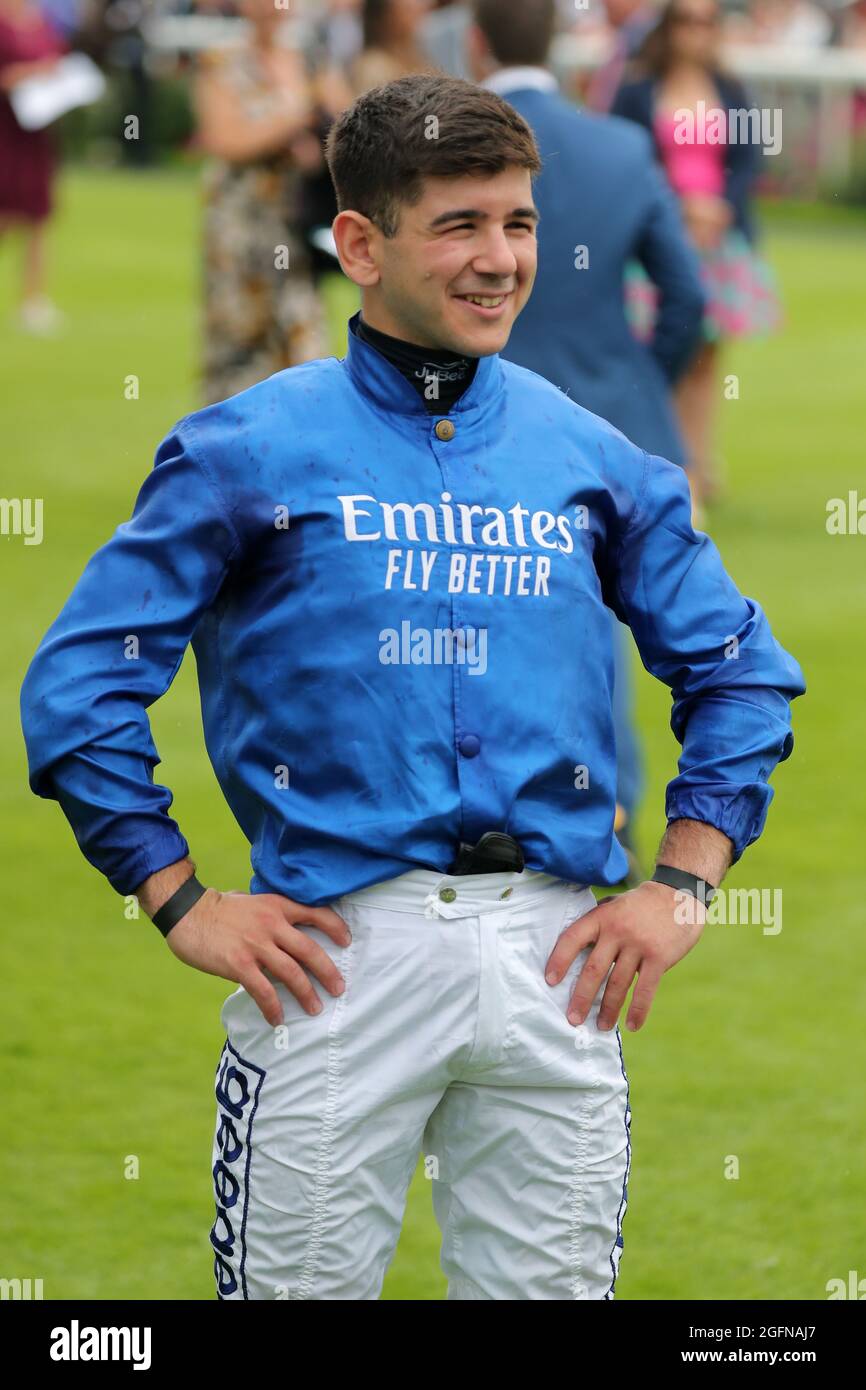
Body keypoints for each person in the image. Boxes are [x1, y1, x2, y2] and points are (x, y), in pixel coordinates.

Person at [21, 73, 805, 1302]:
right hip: (335, 964)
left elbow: (738, 669)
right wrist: (175, 897)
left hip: (559, 961)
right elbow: (81, 682)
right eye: (459, 225)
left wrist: (682, 884)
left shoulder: (591, 453)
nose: (499, 260)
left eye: (518, 224)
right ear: (358, 243)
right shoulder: (245, 447)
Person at [468, 0, 706, 874]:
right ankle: (613, 820)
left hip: (485, 428)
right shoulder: (619, 145)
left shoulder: (449, 151)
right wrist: (630, 383)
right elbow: (684, 297)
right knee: (610, 645)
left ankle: (508, 827)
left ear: (478, 42)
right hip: (621, 429)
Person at [611, 0, 782, 508]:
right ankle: (664, 456)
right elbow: (626, 156)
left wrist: (721, 207)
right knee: (665, 349)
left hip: (717, 239)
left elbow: (748, 161)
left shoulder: (729, 90)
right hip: (661, 238)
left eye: (705, 21)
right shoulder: (639, 91)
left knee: (708, 358)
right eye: (686, 20)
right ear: (669, 27)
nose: (695, 31)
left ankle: (700, 460)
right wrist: (680, 209)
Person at [193, 0, 328, 404]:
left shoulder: (308, 59)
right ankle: (228, 439)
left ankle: (303, 429)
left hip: (294, 218)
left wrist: (313, 143)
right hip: (241, 223)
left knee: (301, 329)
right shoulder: (219, 61)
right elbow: (224, 140)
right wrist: (291, 123)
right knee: (240, 334)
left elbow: (341, 122)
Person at [0, 0, 67, 333]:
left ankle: (33, 299)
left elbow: (58, 59)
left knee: (38, 217)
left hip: (36, 131)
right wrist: (27, 74)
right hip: (4, 131)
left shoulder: (41, 21)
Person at [349, 0, 433, 95]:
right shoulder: (375, 66)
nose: (418, 10)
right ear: (386, 18)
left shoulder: (413, 52)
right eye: (407, 9)